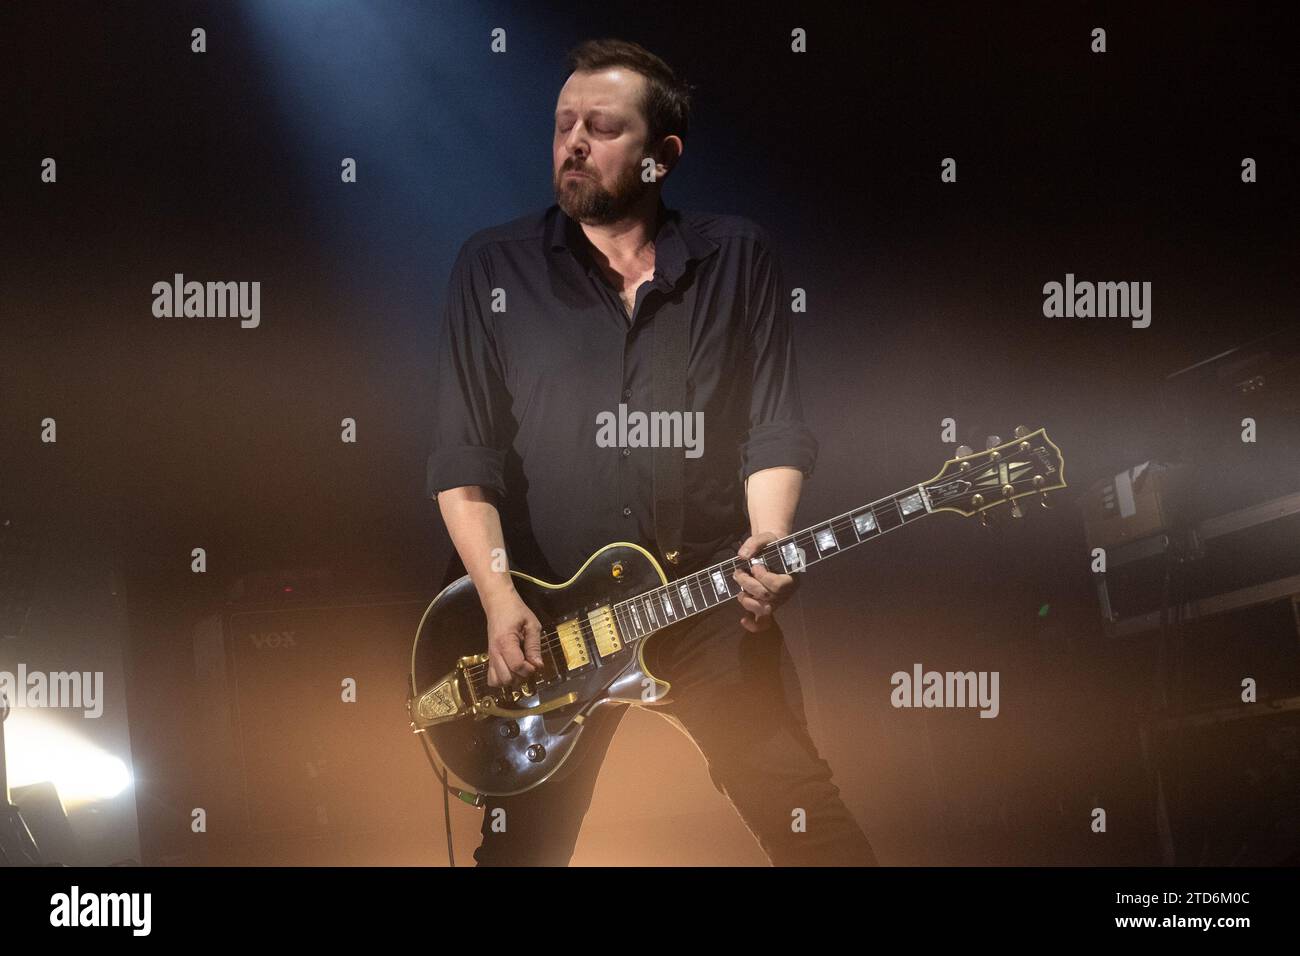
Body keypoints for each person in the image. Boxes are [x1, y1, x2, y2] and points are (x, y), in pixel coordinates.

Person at [427, 37, 877, 866]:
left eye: (601, 127)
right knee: (519, 855)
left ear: (662, 156)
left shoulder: (738, 256)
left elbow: (773, 427)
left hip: (705, 603)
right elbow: (464, 458)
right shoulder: (492, 268)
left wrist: (769, 540)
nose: (573, 143)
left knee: (810, 822)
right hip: (550, 624)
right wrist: (496, 600)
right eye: (563, 124)